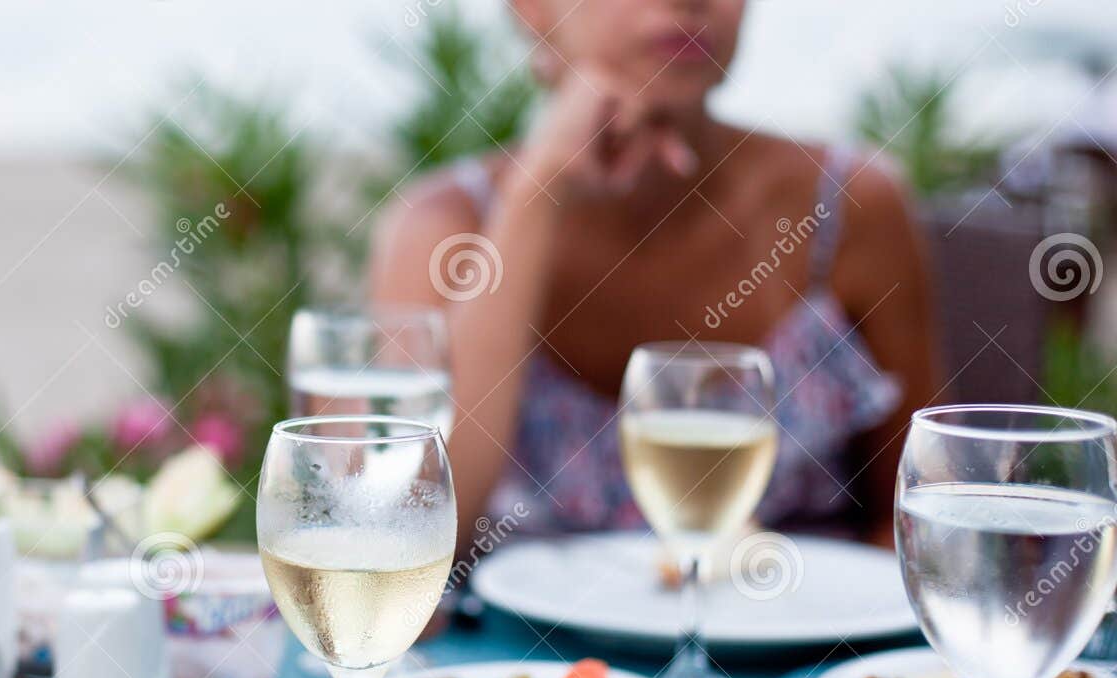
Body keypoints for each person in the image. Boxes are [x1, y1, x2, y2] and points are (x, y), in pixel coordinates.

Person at [369, 0, 938, 550]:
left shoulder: (847, 204)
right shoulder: (443, 228)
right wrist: (537, 190)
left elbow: (923, 521)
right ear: (530, 8)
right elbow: (407, 537)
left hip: (812, 645)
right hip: (516, 652)